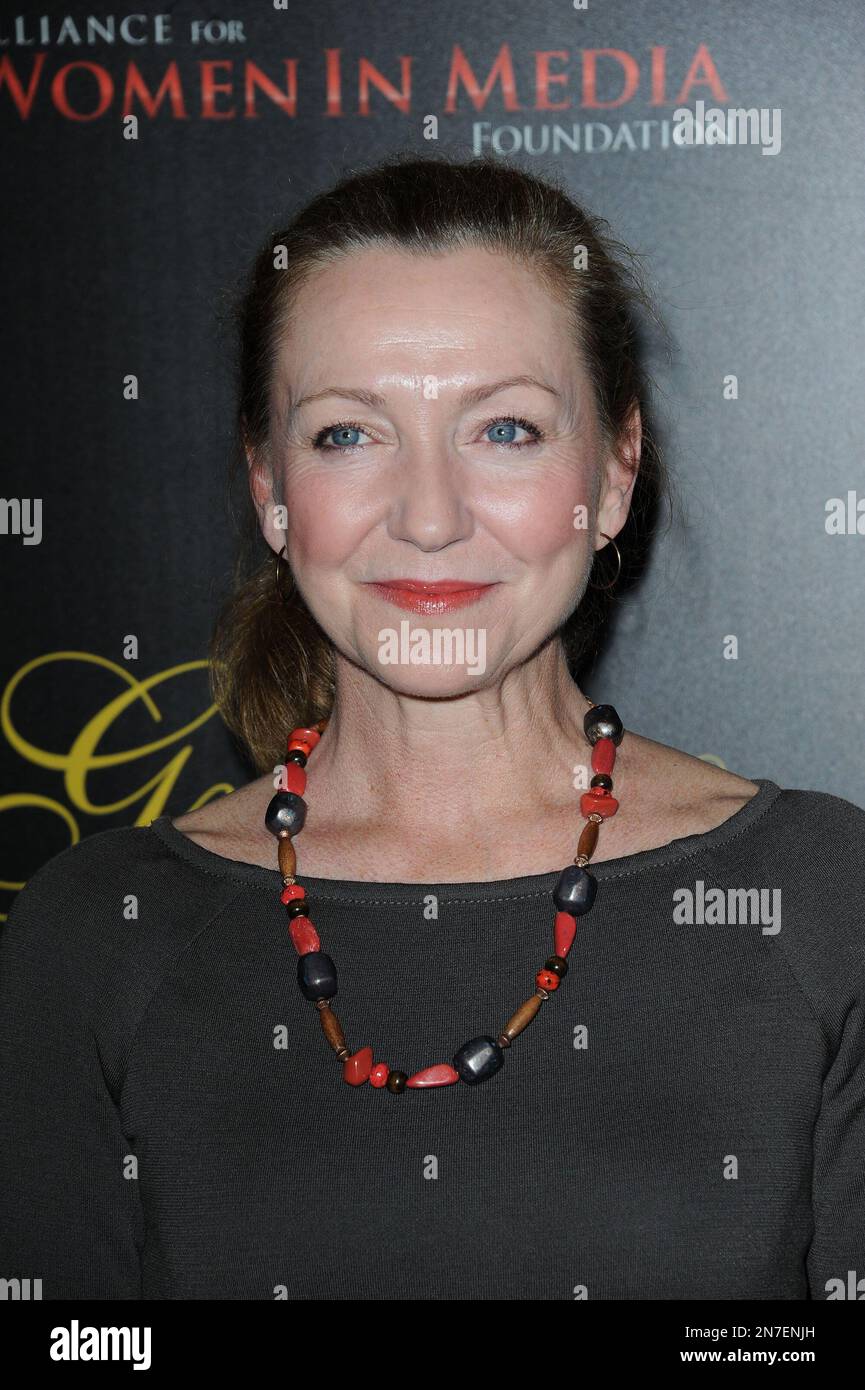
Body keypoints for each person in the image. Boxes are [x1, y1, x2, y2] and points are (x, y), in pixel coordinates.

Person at [1, 154, 863, 1301]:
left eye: (504, 430)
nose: (428, 516)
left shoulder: (822, 899)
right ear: (268, 486)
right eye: (347, 436)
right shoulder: (98, 932)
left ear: (613, 471)